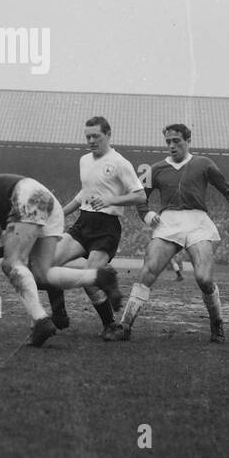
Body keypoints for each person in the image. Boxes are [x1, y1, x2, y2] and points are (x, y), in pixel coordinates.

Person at [103, 124, 229, 343]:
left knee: (204, 279)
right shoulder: (155, 169)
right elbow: (140, 196)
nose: (171, 145)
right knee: (148, 271)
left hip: (197, 222)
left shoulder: (204, 164)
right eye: (168, 141)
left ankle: (217, 325)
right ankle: (125, 325)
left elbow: (226, 188)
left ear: (188, 140)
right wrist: (147, 215)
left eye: (176, 140)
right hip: (168, 222)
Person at [0, 173, 122, 348]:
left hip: (26, 196)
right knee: (40, 274)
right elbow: (8, 244)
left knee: (10, 264)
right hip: (48, 203)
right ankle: (98, 277)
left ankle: (41, 321)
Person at [49, 117, 146, 331]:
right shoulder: (84, 160)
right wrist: (59, 214)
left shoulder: (120, 163)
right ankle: (59, 316)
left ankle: (110, 325)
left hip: (106, 228)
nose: (91, 140)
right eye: (88, 137)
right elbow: (84, 193)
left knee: (89, 278)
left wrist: (111, 200)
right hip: (83, 223)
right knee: (48, 263)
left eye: (96, 136)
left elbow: (140, 197)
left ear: (108, 135)